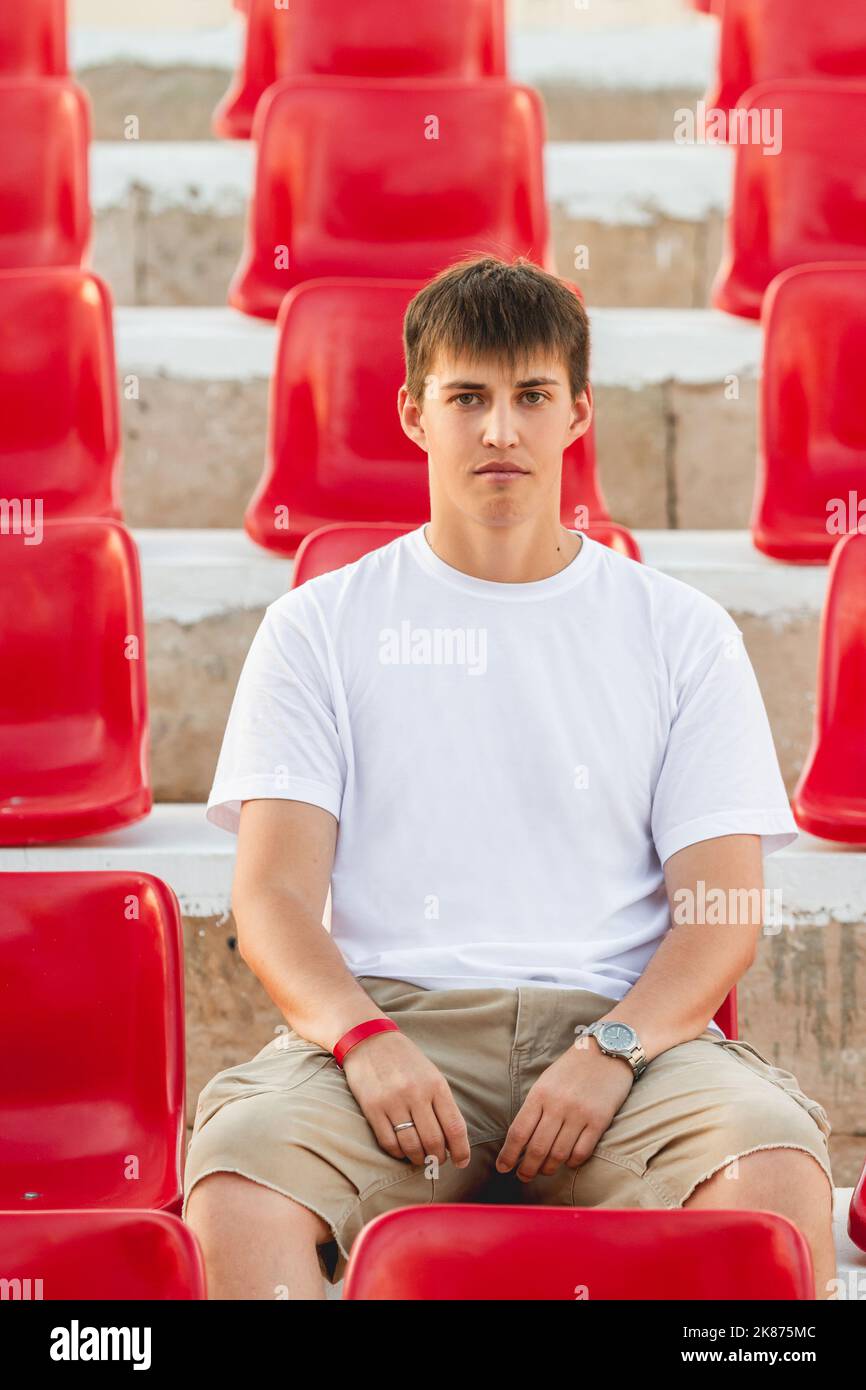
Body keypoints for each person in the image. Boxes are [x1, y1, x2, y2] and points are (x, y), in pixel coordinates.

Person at [183, 255, 835, 1300]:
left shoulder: (679, 632)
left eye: (530, 396)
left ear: (576, 414)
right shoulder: (318, 626)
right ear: (413, 414)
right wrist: (362, 1038)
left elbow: (718, 910)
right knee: (238, 1180)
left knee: (773, 1169)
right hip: (392, 1021)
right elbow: (271, 897)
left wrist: (614, 1045)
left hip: (620, 1031)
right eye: (468, 398)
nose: (499, 430)